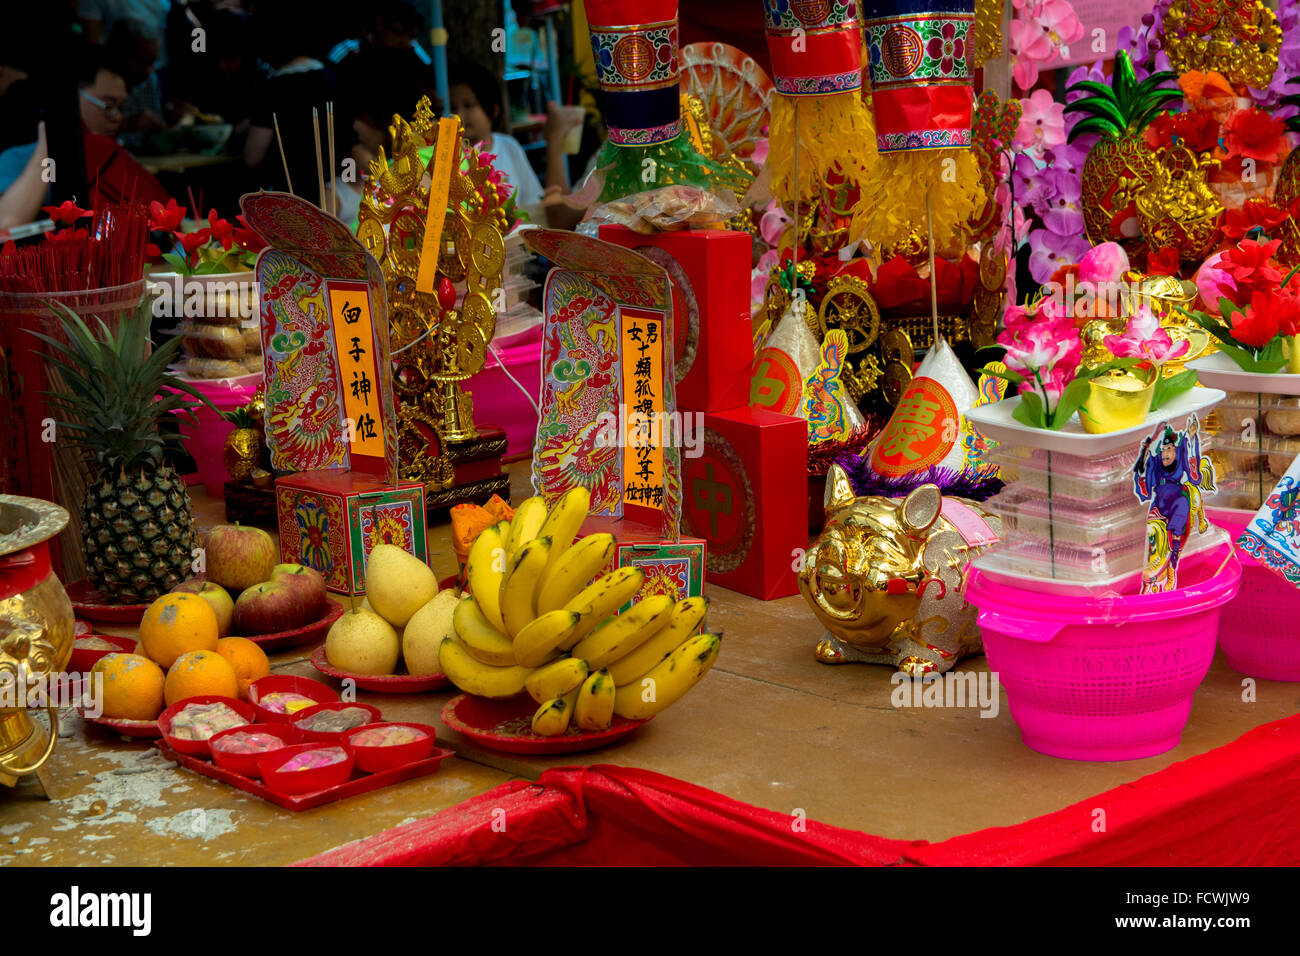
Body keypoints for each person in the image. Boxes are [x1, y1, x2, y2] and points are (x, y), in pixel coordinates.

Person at [450, 63, 579, 227]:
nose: (459, 115)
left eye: (469, 105)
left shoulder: (510, 147)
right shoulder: (450, 155)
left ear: (493, 110)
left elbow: (533, 202)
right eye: (453, 107)